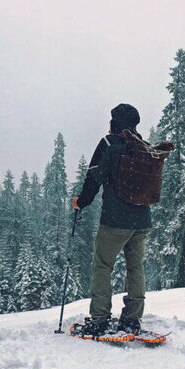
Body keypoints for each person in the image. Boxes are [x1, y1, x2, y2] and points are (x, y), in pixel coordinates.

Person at [71, 103, 150, 337]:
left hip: (115, 220)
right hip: (142, 220)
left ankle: (100, 319)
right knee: (136, 267)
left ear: (115, 122)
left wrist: (81, 202)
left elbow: (94, 178)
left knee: (102, 267)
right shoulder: (143, 147)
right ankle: (132, 319)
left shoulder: (109, 144)